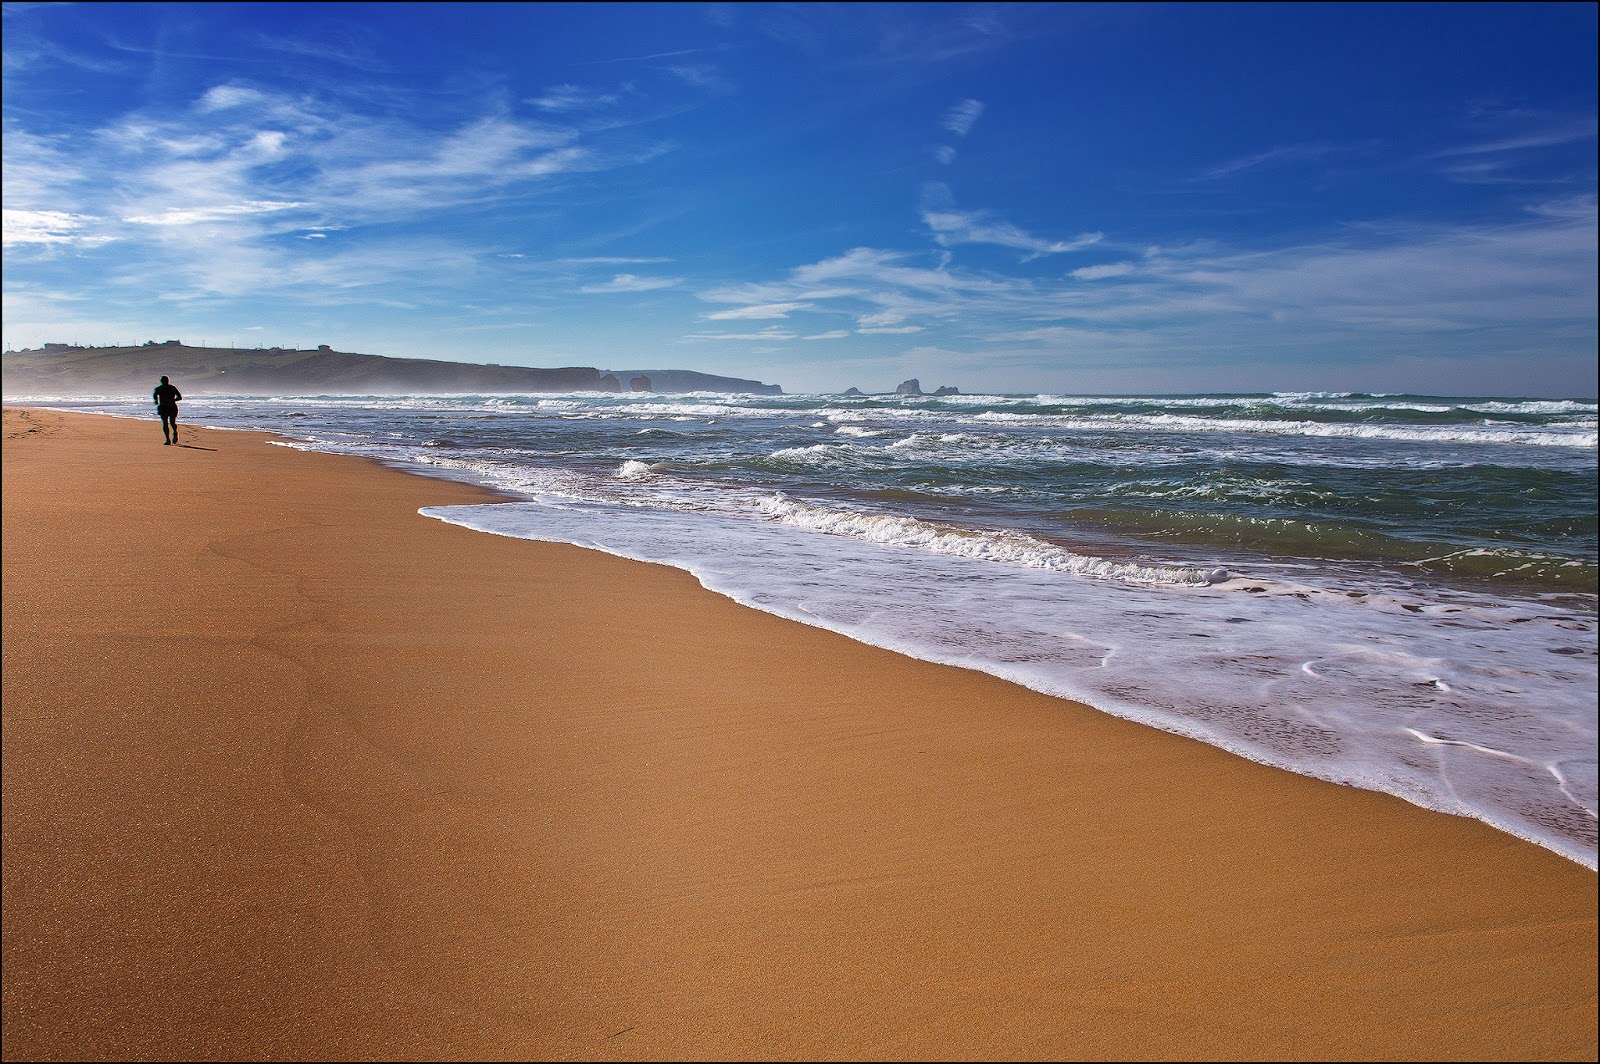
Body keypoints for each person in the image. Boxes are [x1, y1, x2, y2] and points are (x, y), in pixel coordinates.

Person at [152, 375, 182, 445]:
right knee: (168, 423)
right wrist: (172, 400)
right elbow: (179, 397)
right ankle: (168, 439)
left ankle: (173, 434)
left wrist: (156, 401)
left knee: (169, 423)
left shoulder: (160, 388)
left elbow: (180, 397)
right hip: (168, 407)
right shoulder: (169, 388)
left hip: (168, 407)